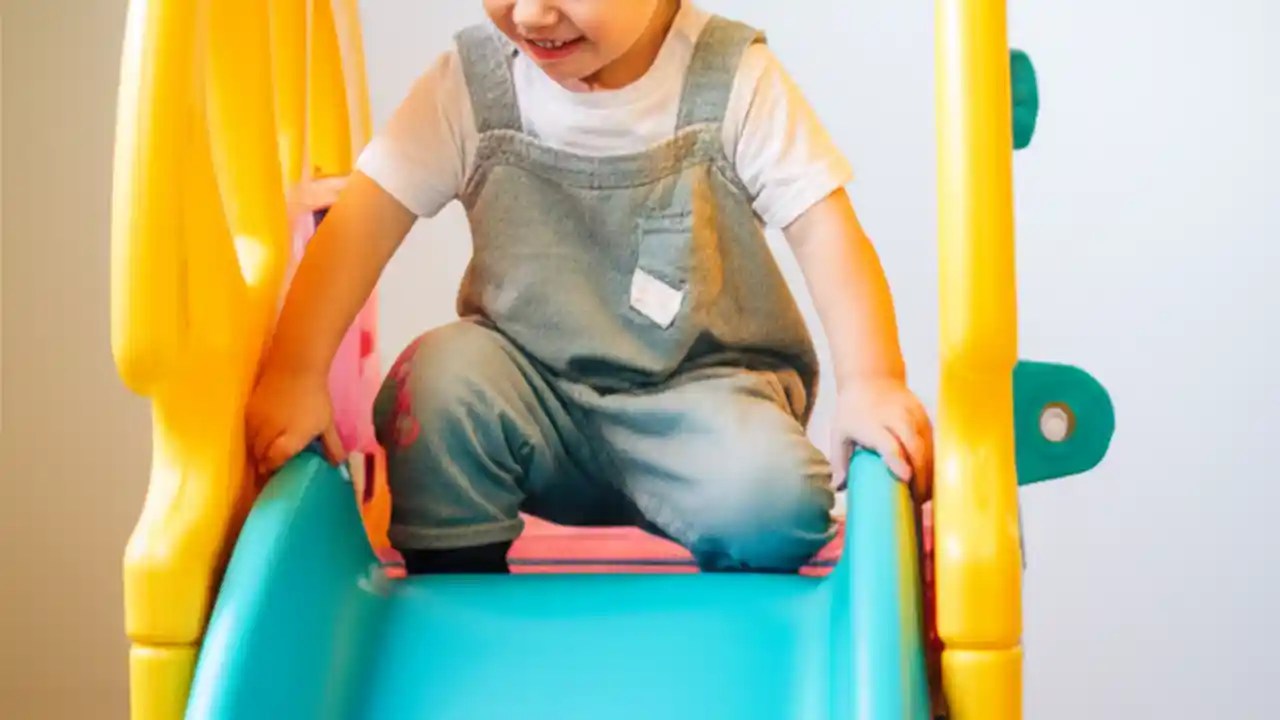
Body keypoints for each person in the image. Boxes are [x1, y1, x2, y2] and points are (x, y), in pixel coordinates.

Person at [245, 0, 933, 575]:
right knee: (439, 382)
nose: (532, 13)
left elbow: (824, 230)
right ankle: (456, 590)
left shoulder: (732, 81)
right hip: (531, 401)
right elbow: (364, 218)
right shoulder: (473, 82)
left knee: (777, 503)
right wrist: (294, 371)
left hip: (700, 401)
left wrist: (872, 380)